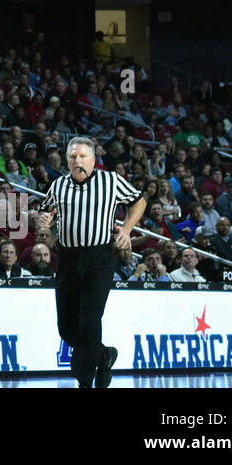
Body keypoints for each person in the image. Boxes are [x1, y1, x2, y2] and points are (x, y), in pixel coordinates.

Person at [38, 136, 146, 389]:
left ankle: (84, 381)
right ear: (67, 160)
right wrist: (44, 220)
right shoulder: (58, 185)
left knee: (90, 317)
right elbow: (45, 211)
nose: (77, 161)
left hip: (99, 257)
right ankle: (104, 355)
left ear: (93, 160)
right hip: (67, 258)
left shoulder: (111, 181)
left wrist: (126, 229)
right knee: (66, 328)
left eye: (83, 156)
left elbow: (139, 201)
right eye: (72, 156)